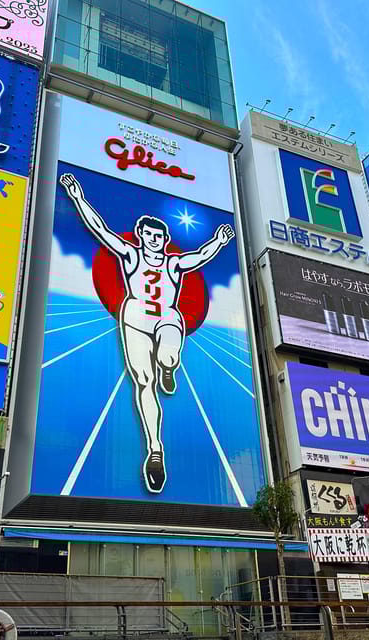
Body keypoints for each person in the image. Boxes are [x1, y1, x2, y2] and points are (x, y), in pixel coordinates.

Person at [59, 173, 235, 493]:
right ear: (141, 235)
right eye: (149, 233)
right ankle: (155, 450)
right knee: (143, 381)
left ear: (164, 239)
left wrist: (220, 242)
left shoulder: (174, 264)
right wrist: (77, 197)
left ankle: (169, 366)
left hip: (167, 316)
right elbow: (100, 230)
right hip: (136, 316)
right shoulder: (130, 255)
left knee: (167, 354)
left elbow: (200, 257)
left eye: (159, 235)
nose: (154, 239)